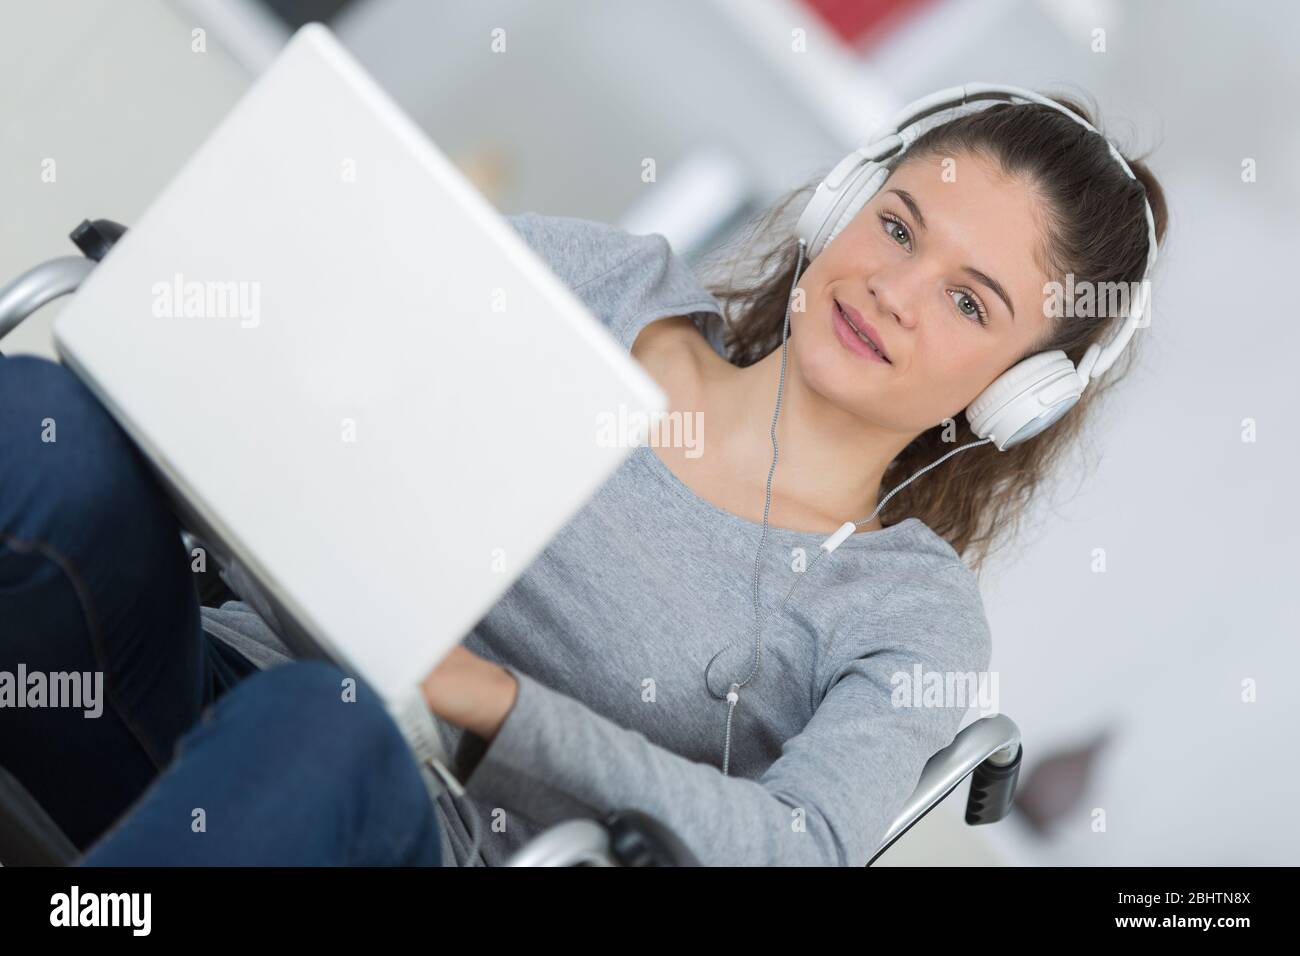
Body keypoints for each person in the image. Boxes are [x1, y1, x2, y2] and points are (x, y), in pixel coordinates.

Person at [0, 90, 1167, 866]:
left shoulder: (906, 614)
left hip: (404, 821)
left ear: (1023, 393)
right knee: (43, 427)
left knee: (329, 720)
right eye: (899, 225)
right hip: (185, 689)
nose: (896, 289)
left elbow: (798, 843)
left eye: (972, 301)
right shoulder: (599, 284)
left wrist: (478, 694)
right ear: (839, 203)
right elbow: (315, 374)